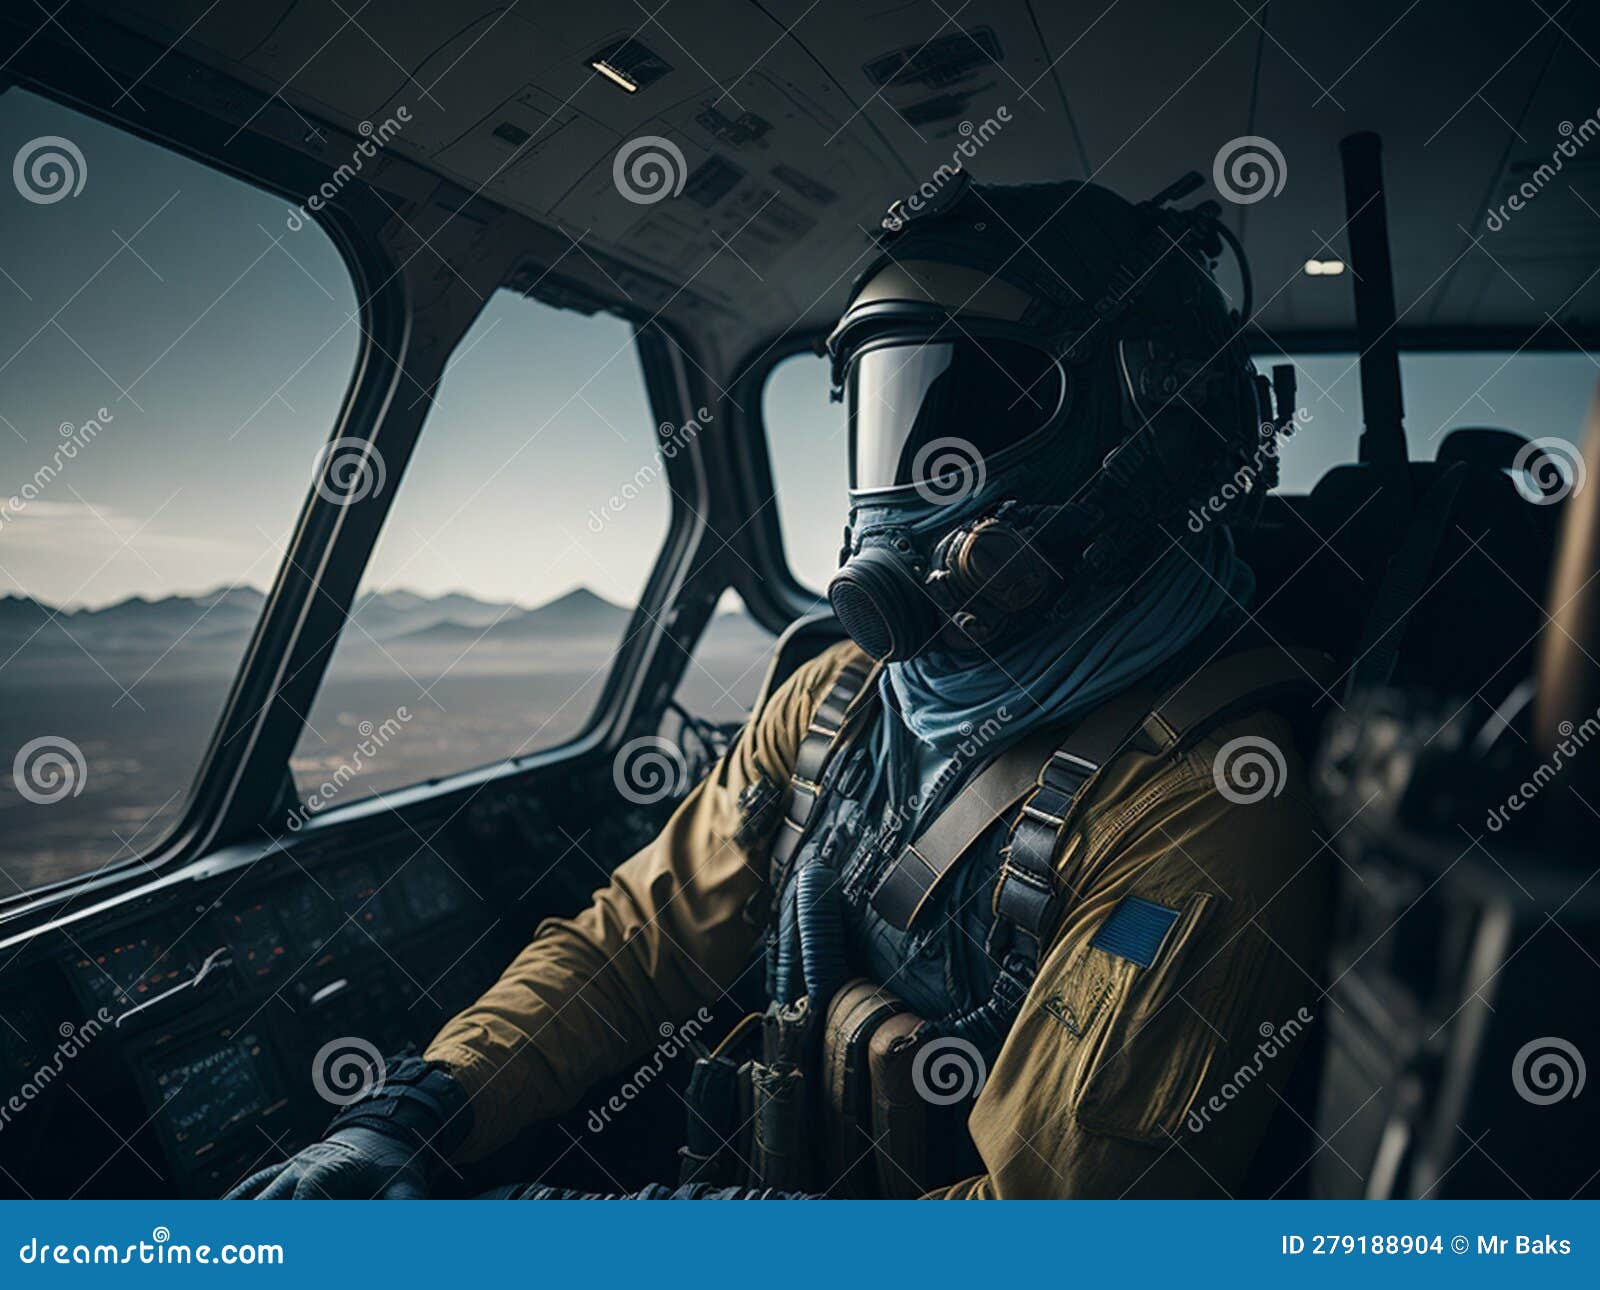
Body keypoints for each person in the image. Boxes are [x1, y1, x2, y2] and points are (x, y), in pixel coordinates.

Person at [230, 171, 1333, 1201]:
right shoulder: (838, 699)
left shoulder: (1203, 812)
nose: (910, 487)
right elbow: (639, 943)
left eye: (974, 411)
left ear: (1153, 440)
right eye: (892, 414)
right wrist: (414, 1114)